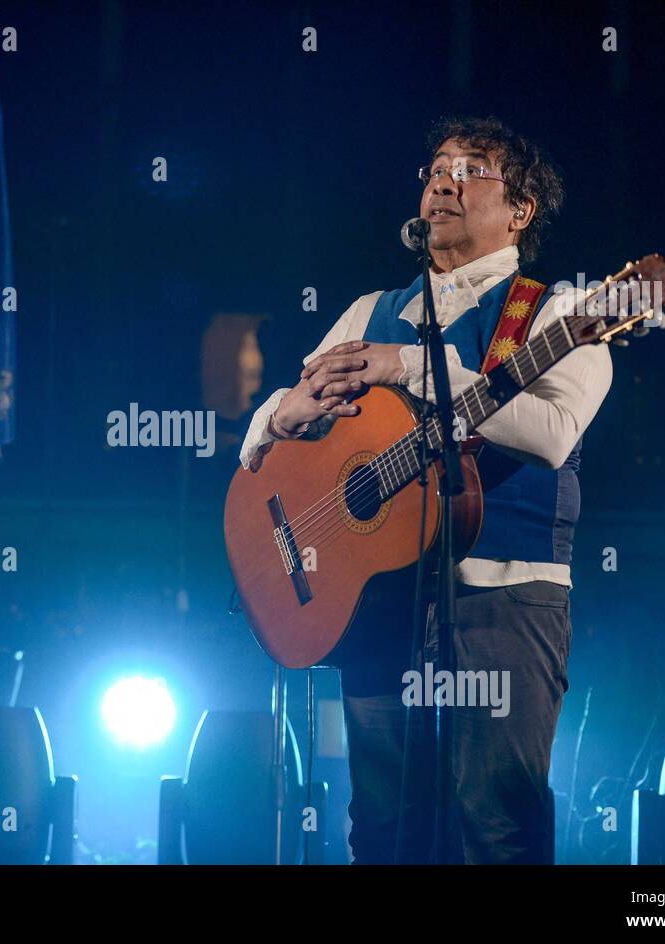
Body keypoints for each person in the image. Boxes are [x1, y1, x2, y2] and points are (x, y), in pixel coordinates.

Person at [239, 116, 612, 864]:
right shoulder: (370, 313)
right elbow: (273, 443)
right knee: (382, 832)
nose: (443, 179)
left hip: (502, 593)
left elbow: (552, 432)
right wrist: (283, 410)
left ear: (520, 209)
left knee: (495, 826)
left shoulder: (560, 312)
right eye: (436, 166)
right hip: (377, 596)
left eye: (470, 168)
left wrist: (410, 366)